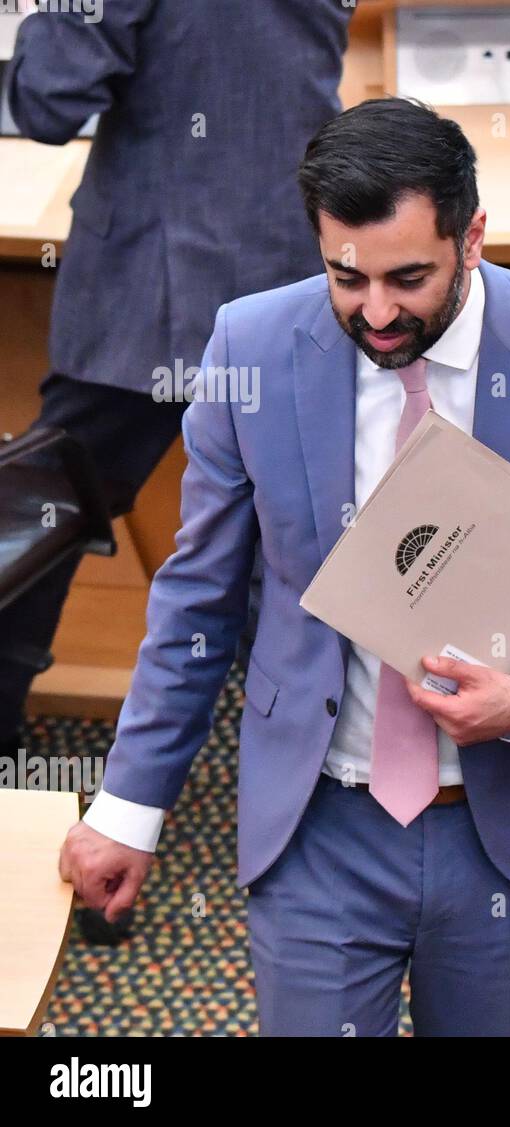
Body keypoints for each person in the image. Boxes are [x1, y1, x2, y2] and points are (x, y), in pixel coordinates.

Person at [56, 97, 510, 1036]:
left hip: (504, 823)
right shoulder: (253, 348)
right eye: (346, 277)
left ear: (472, 235)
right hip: (319, 818)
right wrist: (128, 805)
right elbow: (197, 599)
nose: (378, 312)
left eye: (408, 278)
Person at [0, 0, 353, 761]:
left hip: (160, 284)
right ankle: (320, 759)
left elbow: (47, 100)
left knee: (37, 512)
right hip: (292, 256)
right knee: (298, 529)